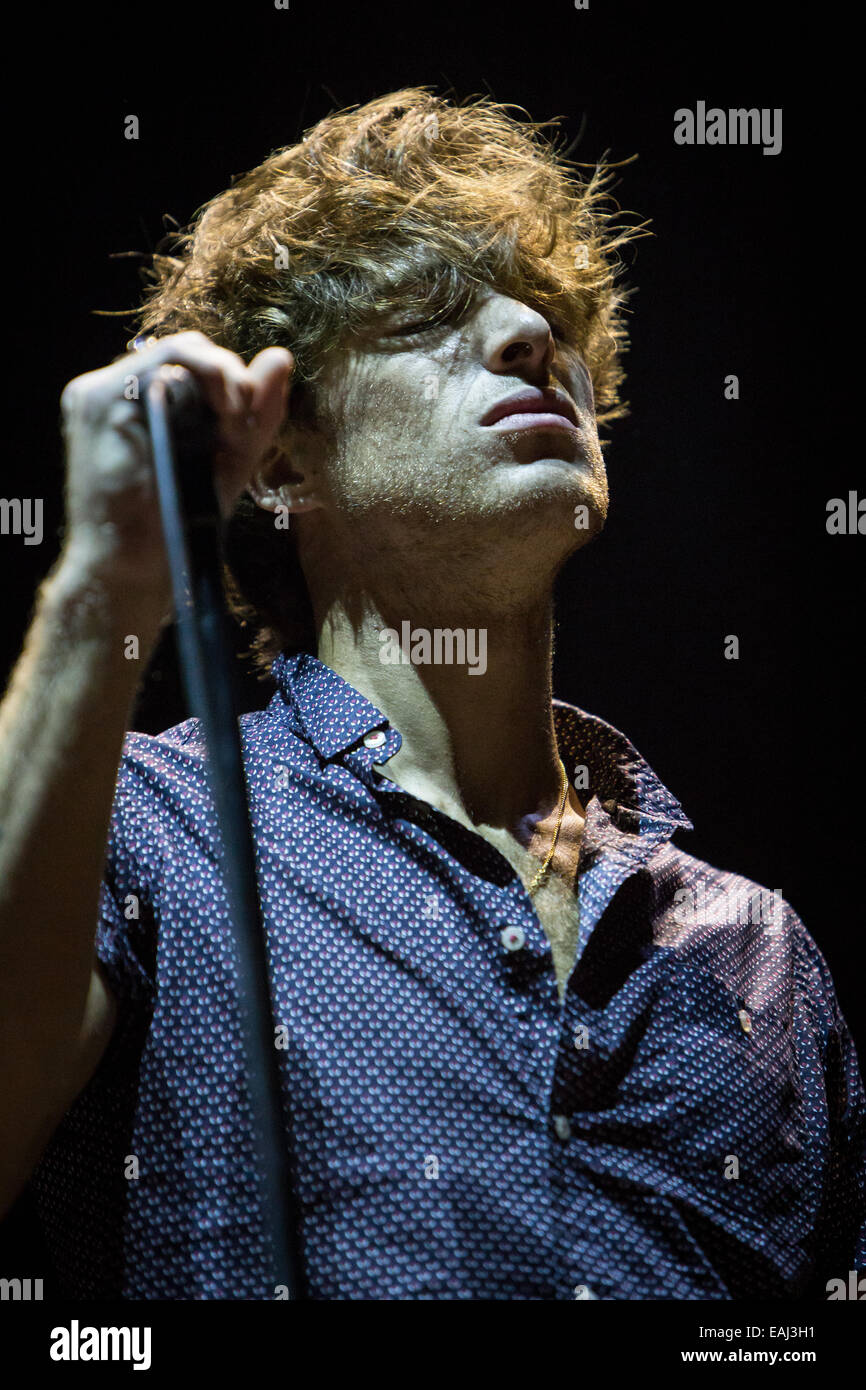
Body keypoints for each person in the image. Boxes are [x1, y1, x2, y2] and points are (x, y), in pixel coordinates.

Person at [0, 88, 862, 1300]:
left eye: (551, 310)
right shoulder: (141, 828)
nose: (527, 333)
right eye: (427, 315)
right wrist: (106, 584)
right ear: (283, 457)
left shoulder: (759, 952)